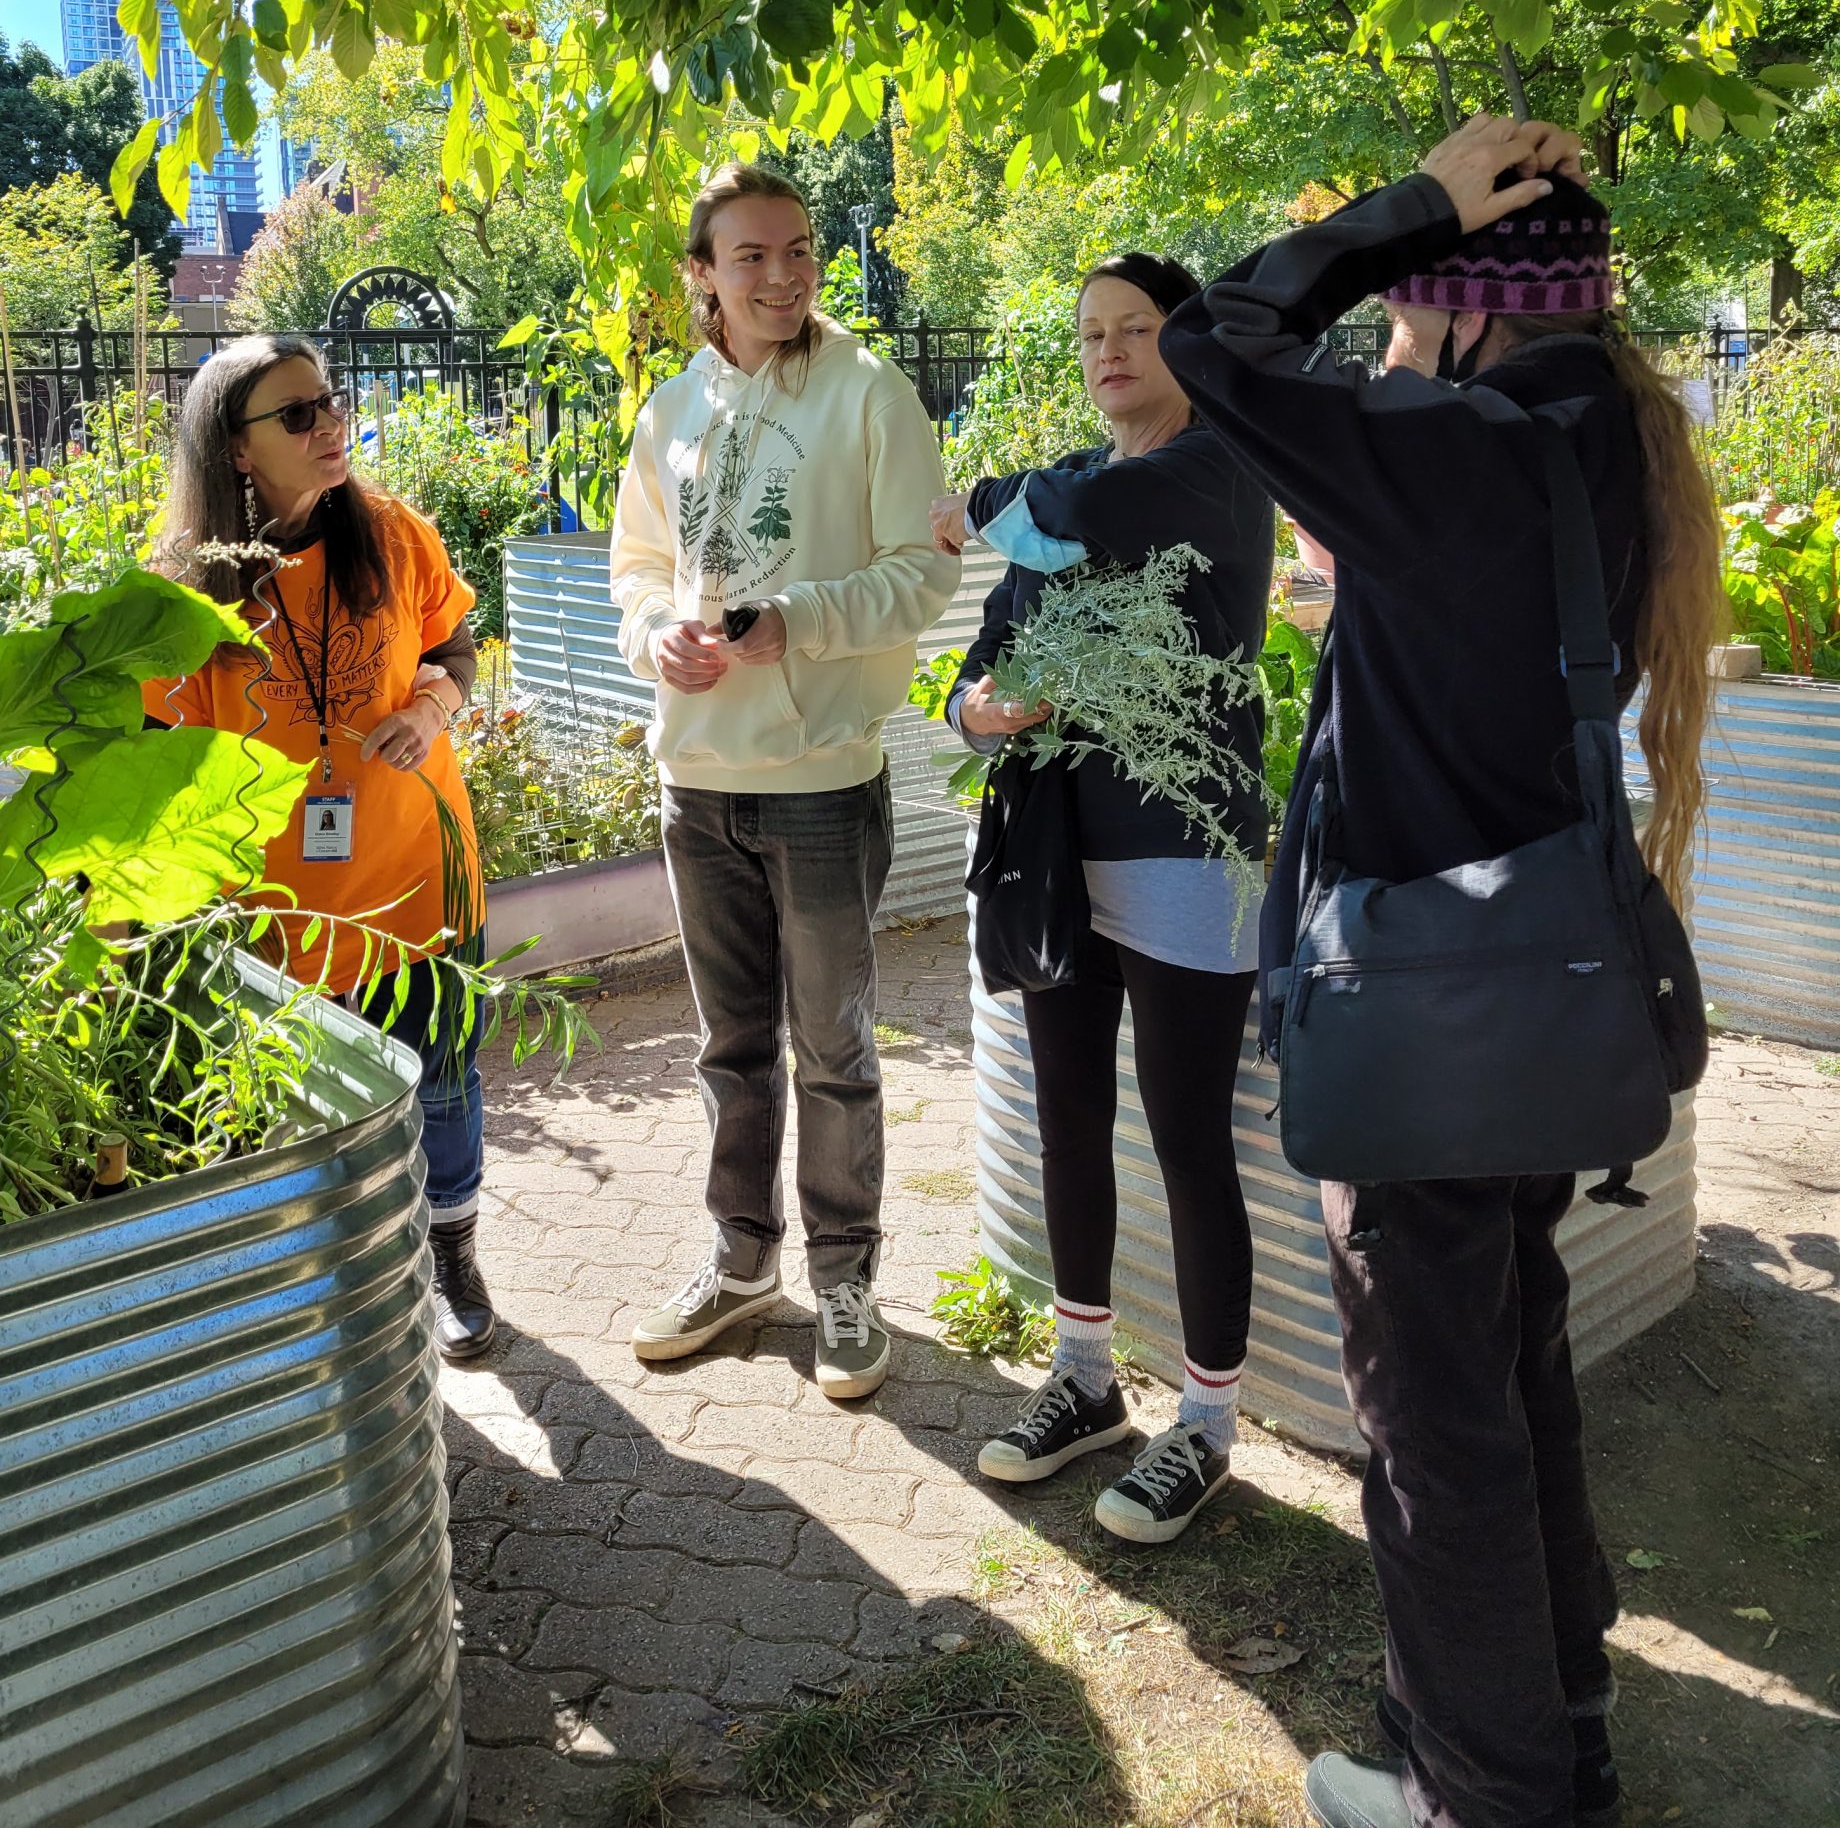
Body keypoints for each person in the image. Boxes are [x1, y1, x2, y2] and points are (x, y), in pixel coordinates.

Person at [1160, 115, 1722, 1828]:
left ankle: (1481, 1791)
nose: (1389, 330)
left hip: (1420, 1012)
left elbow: (1214, 338)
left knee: (1438, 1420)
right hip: (1530, 990)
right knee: (1512, 1353)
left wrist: (1395, 219)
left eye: (1412, 297)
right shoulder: (1597, 432)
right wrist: (1421, 241)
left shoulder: (1460, 446)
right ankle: (1556, 1726)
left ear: (1469, 298)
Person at [930, 253, 1273, 1545]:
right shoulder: (1076, 495)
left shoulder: (1213, 475)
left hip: (1185, 857)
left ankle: (1206, 1425)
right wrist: (981, 708)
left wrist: (973, 499)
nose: (1112, 349)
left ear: (1184, 347)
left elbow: (1057, 522)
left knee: (1190, 1143)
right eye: (1093, 333)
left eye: (1138, 328)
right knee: (1068, 1119)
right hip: (1058, 860)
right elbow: (972, 675)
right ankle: (1082, 1381)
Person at [610, 161, 957, 1401]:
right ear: (700, 274)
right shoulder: (668, 411)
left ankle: (847, 1276)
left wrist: (794, 621)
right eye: (749, 255)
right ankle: (744, 1261)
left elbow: (926, 571)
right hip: (693, 778)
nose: (782, 274)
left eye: (798, 250)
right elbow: (636, 570)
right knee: (728, 1045)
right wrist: (655, 632)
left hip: (819, 779)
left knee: (833, 1045)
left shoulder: (869, 392)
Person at [144, 336, 498, 1365]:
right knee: (303, 1117)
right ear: (235, 451)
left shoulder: (391, 533)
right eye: (295, 415)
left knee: (442, 1081)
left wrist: (433, 705)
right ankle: (338, 1285)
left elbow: (454, 646)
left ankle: (453, 1253)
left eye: (330, 402)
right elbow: (156, 758)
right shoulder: (182, 596)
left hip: (417, 880)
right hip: (275, 915)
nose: (329, 424)